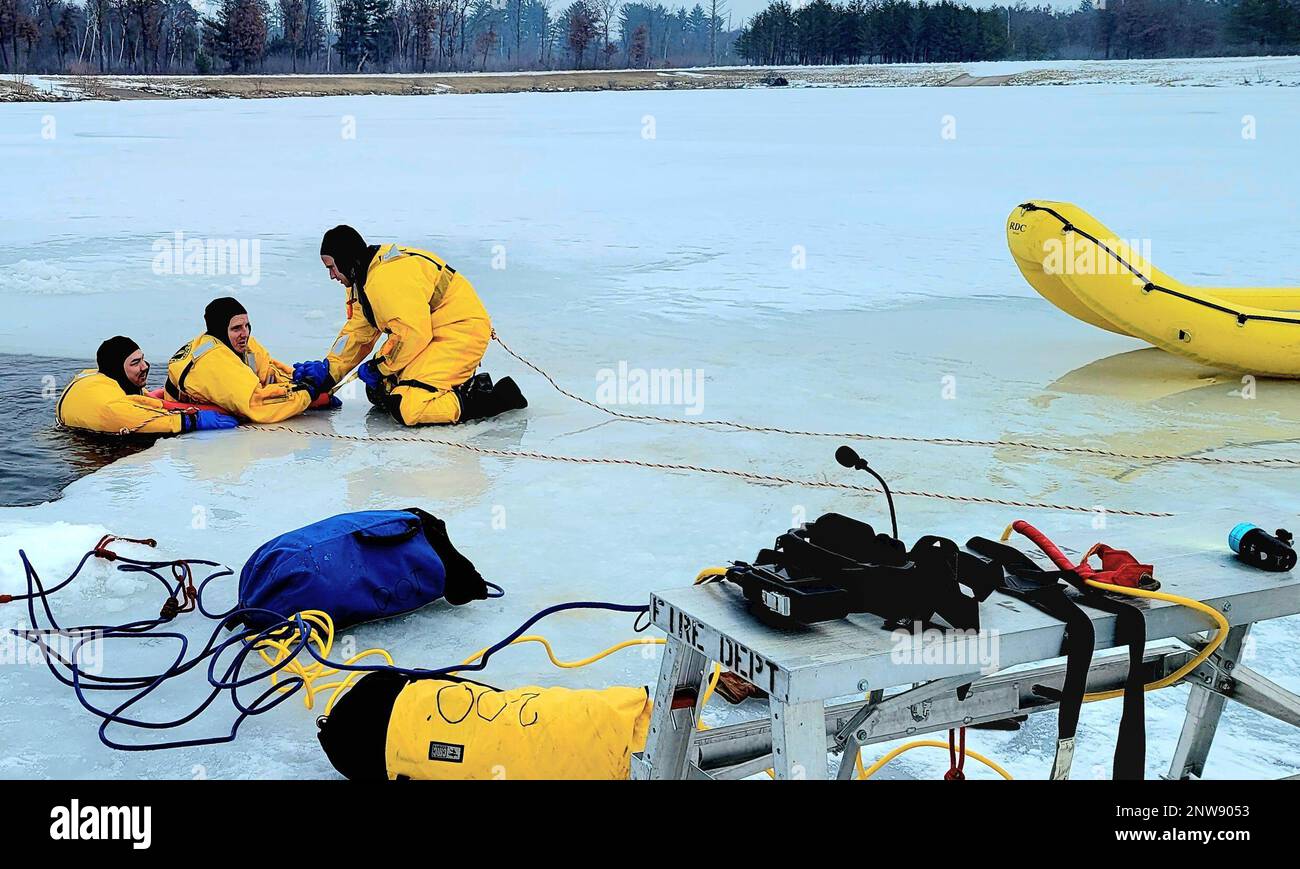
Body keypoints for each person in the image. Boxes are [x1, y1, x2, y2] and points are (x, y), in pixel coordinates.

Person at [293, 225, 526, 426]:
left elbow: (412, 334)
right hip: (433, 331)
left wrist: (379, 366)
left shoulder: (383, 280)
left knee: (407, 406)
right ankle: (456, 384)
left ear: (345, 259)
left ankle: (493, 398)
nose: (332, 275)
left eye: (332, 267)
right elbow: (358, 333)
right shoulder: (364, 279)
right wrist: (329, 373)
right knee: (380, 390)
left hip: (460, 331)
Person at [166, 297, 327, 424]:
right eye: (236, 328)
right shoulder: (214, 362)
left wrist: (297, 378)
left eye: (247, 326)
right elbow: (257, 405)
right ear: (220, 331)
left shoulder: (242, 343)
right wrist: (307, 391)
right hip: (191, 413)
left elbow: (268, 371)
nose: (245, 333)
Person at [57, 336, 237, 435]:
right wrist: (193, 420)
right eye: (135, 363)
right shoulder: (111, 407)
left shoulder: (95, 376)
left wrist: (157, 396)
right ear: (117, 369)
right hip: (82, 444)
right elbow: (155, 420)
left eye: (143, 359)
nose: (145, 366)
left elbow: (134, 399)